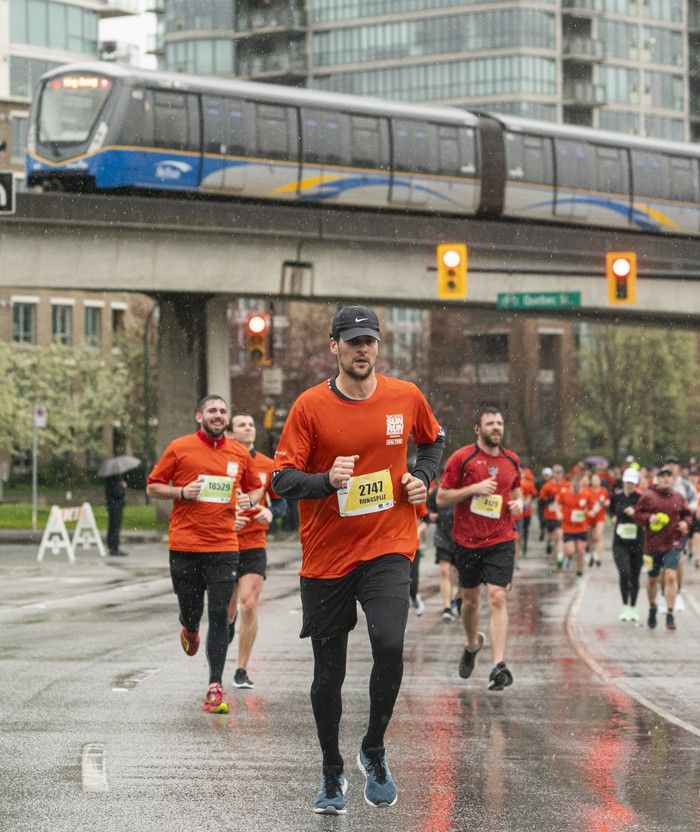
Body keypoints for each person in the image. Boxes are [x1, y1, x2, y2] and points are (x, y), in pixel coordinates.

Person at [271, 305, 444, 814]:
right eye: (352, 342)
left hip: (388, 544)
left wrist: (423, 479)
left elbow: (434, 441)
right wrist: (326, 480)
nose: (362, 349)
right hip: (326, 558)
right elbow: (281, 480)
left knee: (390, 644)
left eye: (370, 341)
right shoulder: (309, 407)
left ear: (378, 347)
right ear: (335, 347)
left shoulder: (405, 396)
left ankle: (374, 749)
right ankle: (331, 770)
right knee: (329, 674)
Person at [147, 395, 262, 713]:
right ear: (199, 416)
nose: (218, 415)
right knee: (193, 612)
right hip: (185, 546)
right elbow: (153, 486)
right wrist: (182, 492)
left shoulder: (239, 452)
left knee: (220, 617)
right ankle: (188, 627)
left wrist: (247, 500)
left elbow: (255, 488)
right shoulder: (180, 447)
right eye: (212, 410)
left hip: (224, 547)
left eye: (223, 411)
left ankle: (215, 687)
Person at [436, 406, 522, 692]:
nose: (496, 427)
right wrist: (473, 489)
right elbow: (442, 497)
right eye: (490, 423)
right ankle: (472, 644)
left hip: (501, 539)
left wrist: (519, 504)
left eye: (499, 423)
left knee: (498, 597)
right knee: (470, 601)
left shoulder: (512, 460)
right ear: (478, 429)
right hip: (467, 541)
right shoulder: (462, 458)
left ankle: (499, 665)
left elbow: (516, 490)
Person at [225, 413, 287, 690]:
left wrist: (269, 512)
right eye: (242, 425)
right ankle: (226, 627)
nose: (248, 428)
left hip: (253, 544)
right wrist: (226, 519)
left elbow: (283, 504)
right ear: (231, 433)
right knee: (227, 611)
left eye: (251, 424)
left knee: (249, 603)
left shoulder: (267, 465)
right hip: (224, 544)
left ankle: (241, 669)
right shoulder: (222, 461)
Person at [634, 465, 692, 631]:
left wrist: (684, 523)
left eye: (669, 476)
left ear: (673, 479)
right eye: (662, 476)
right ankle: (652, 607)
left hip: (673, 543)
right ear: (657, 479)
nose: (666, 479)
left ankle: (670, 613)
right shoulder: (648, 497)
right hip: (652, 545)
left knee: (671, 576)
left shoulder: (678, 497)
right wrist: (648, 518)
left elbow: (687, 515)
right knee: (653, 579)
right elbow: (638, 515)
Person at [609, 467, 644, 623]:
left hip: (637, 542)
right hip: (620, 543)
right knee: (625, 573)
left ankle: (633, 606)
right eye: (627, 481)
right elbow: (611, 511)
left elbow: (646, 516)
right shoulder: (616, 497)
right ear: (623, 481)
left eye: (632, 482)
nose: (629, 484)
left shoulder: (642, 498)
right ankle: (624, 605)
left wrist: (635, 512)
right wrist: (614, 517)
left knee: (635, 576)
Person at [427, 481, 459, 621]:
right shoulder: (436, 492)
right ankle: (447, 607)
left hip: (461, 536)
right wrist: (429, 516)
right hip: (443, 536)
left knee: (460, 573)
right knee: (444, 570)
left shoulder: (464, 489)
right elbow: (427, 510)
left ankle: (456, 600)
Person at [555, 475, 591, 579]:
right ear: (571, 484)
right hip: (568, 527)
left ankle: (580, 571)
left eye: (578, 485)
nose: (576, 487)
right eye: (574, 484)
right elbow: (557, 504)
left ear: (581, 485)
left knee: (580, 550)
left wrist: (590, 512)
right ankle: (569, 558)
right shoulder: (565, 493)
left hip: (582, 527)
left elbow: (592, 506)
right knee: (570, 551)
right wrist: (558, 512)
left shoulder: (586, 494)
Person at [538, 464, 567, 566]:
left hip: (561, 516)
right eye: (555, 472)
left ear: (563, 473)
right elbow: (541, 500)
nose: (557, 474)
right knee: (550, 535)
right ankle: (549, 543)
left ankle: (559, 558)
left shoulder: (566, 485)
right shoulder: (547, 486)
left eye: (559, 472)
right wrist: (549, 502)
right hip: (549, 515)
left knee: (560, 536)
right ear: (553, 474)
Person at [585, 472, 610, 567]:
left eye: (597, 480)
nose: (596, 482)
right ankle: (589, 551)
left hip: (600, 517)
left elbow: (607, 501)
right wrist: (589, 511)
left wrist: (606, 503)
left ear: (600, 481)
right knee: (590, 537)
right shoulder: (587, 491)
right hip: (589, 517)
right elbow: (583, 505)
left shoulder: (604, 491)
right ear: (591, 481)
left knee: (598, 536)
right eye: (594, 480)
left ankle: (598, 557)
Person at [104, 474, 128, 557]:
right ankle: (114, 548)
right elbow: (118, 493)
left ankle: (111, 545)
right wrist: (123, 487)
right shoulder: (115, 479)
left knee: (112, 526)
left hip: (112, 506)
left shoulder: (109, 478)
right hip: (116, 506)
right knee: (115, 527)